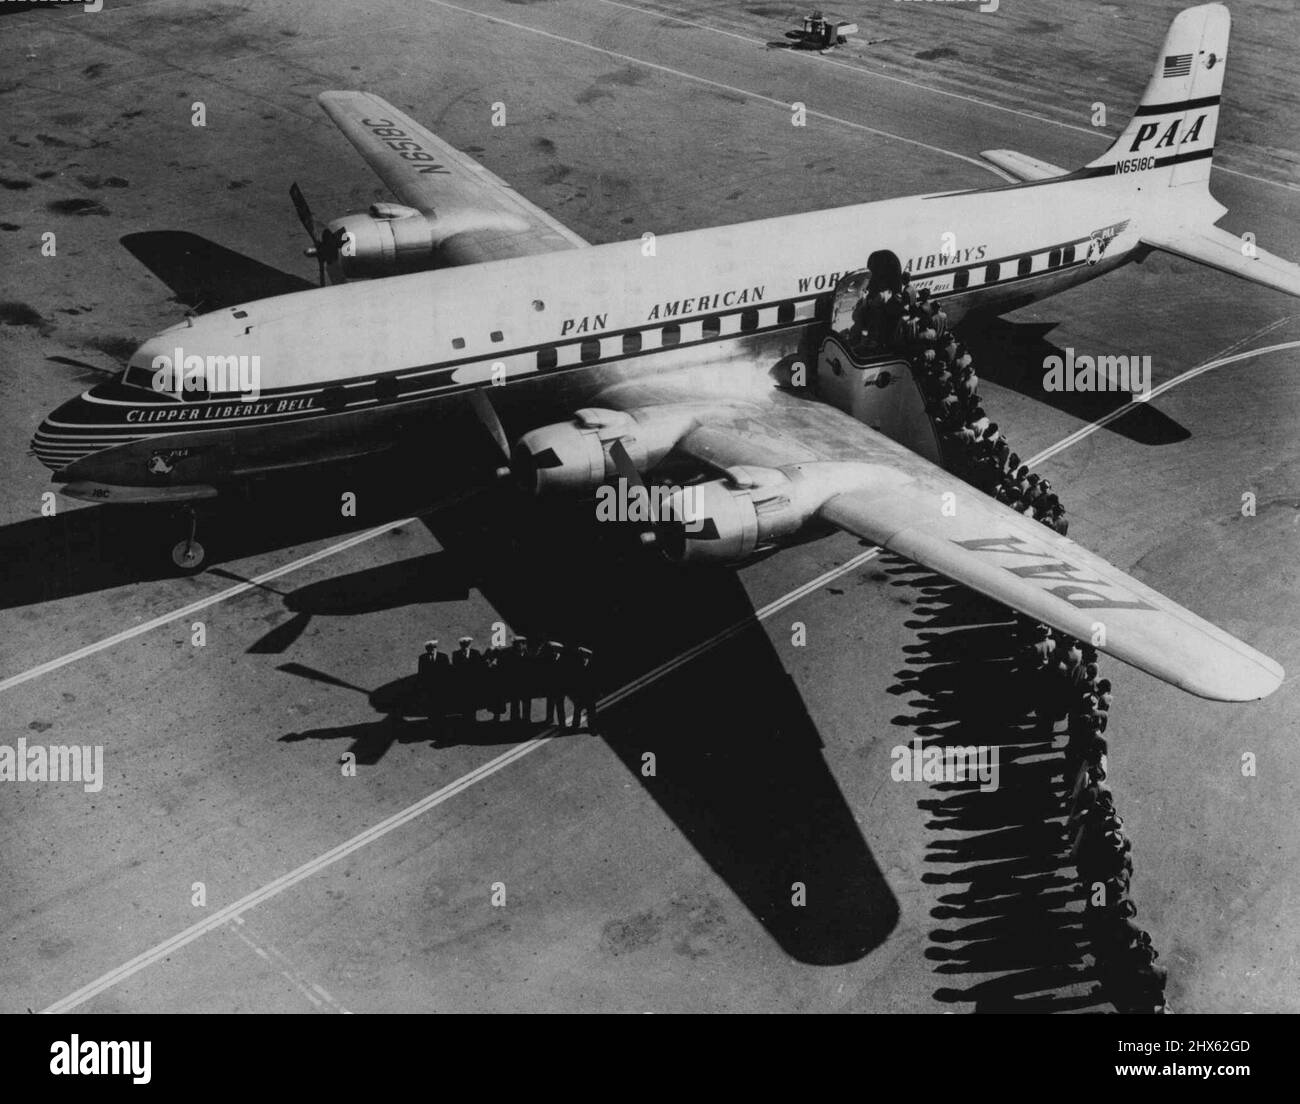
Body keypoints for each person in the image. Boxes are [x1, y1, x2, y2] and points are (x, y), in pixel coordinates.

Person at [449, 635, 483, 725]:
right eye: (463, 644)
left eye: (467, 644)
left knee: (473, 703)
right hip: (462, 684)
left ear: (470, 644)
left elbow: (479, 667)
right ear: (461, 645)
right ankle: (466, 721)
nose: (465, 646)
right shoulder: (456, 654)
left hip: (473, 683)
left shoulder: (476, 653)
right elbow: (456, 668)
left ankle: (472, 721)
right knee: (464, 703)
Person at [418, 640, 449, 726]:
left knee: (441, 708)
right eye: (428, 648)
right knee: (431, 709)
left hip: (441, 688)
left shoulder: (443, 657)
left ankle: (442, 726)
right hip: (429, 689)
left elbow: (447, 673)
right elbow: (421, 674)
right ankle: (433, 726)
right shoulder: (422, 658)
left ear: (436, 648)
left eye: (432, 648)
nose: (431, 650)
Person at [569, 647, 598, 734]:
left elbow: (597, 681)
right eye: (583, 657)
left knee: (591, 711)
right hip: (581, 692)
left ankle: (592, 728)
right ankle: (575, 726)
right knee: (578, 710)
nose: (584, 659)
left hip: (590, 693)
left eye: (586, 657)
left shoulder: (592, 666)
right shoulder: (578, 665)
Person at [507, 635, 534, 724]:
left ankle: (526, 718)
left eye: (520, 644)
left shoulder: (528, 654)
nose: (518, 646)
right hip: (515, 682)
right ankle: (515, 719)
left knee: (526, 702)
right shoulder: (510, 655)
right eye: (516, 644)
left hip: (526, 683)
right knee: (515, 702)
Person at [543, 641, 568, 726]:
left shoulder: (563, 661)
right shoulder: (550, 659)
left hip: (560, 689)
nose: (553, 652)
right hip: (551, 687)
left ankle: (562, 722)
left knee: (560, 706)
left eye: (554, 650)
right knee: (550, 704)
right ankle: (550, 719)